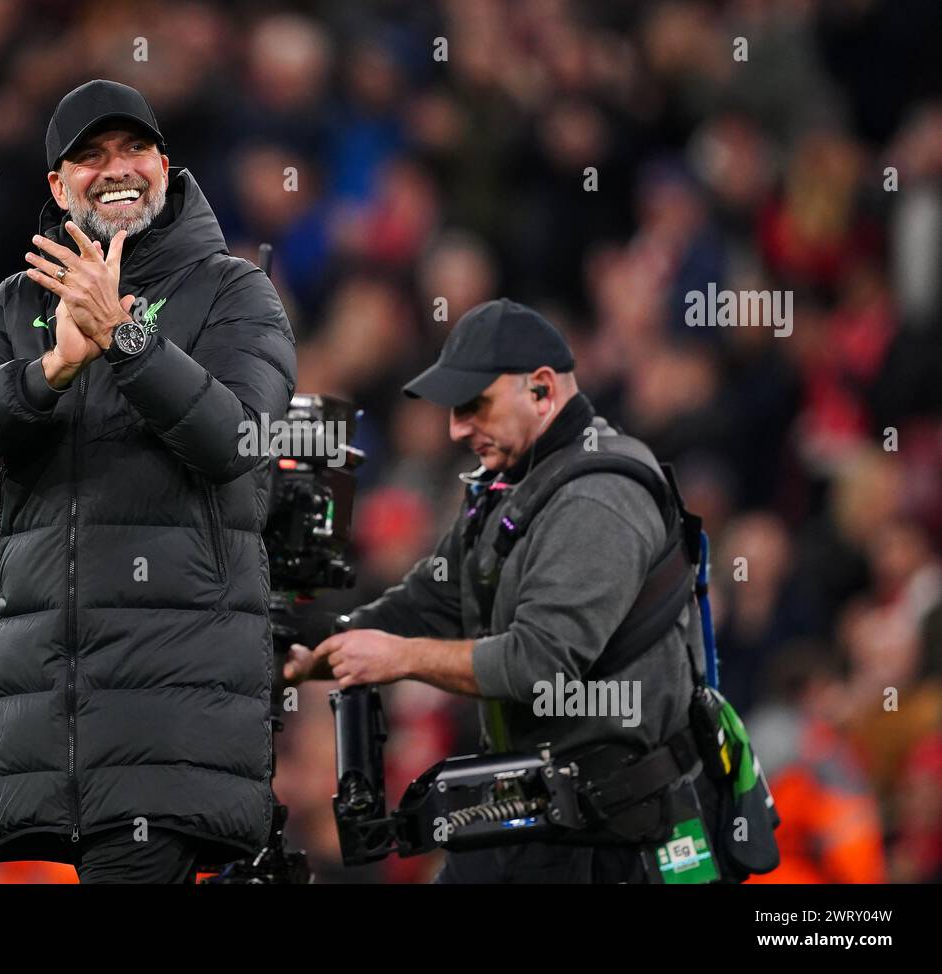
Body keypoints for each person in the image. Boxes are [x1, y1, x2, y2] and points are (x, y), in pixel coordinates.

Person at [0, 79, 297, 883]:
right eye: (88, 156)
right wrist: (51, 367)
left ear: (166, 163)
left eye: (132, 148)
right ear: (58, 187)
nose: (115, 168)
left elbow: (238, 437)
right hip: (54, 737)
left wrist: (123, 336)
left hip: (170, 723)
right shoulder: (23, 299)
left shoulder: (234, 289)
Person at [286, 299, 724, 883]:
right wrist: (318, 649)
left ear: (542, 391)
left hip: (616, 838)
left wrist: (400, 659)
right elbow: (427, 604)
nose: (456, 428)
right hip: (533, 816)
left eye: (475, 406)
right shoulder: (508, 485)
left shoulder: (598, 499)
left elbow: (540, 665)